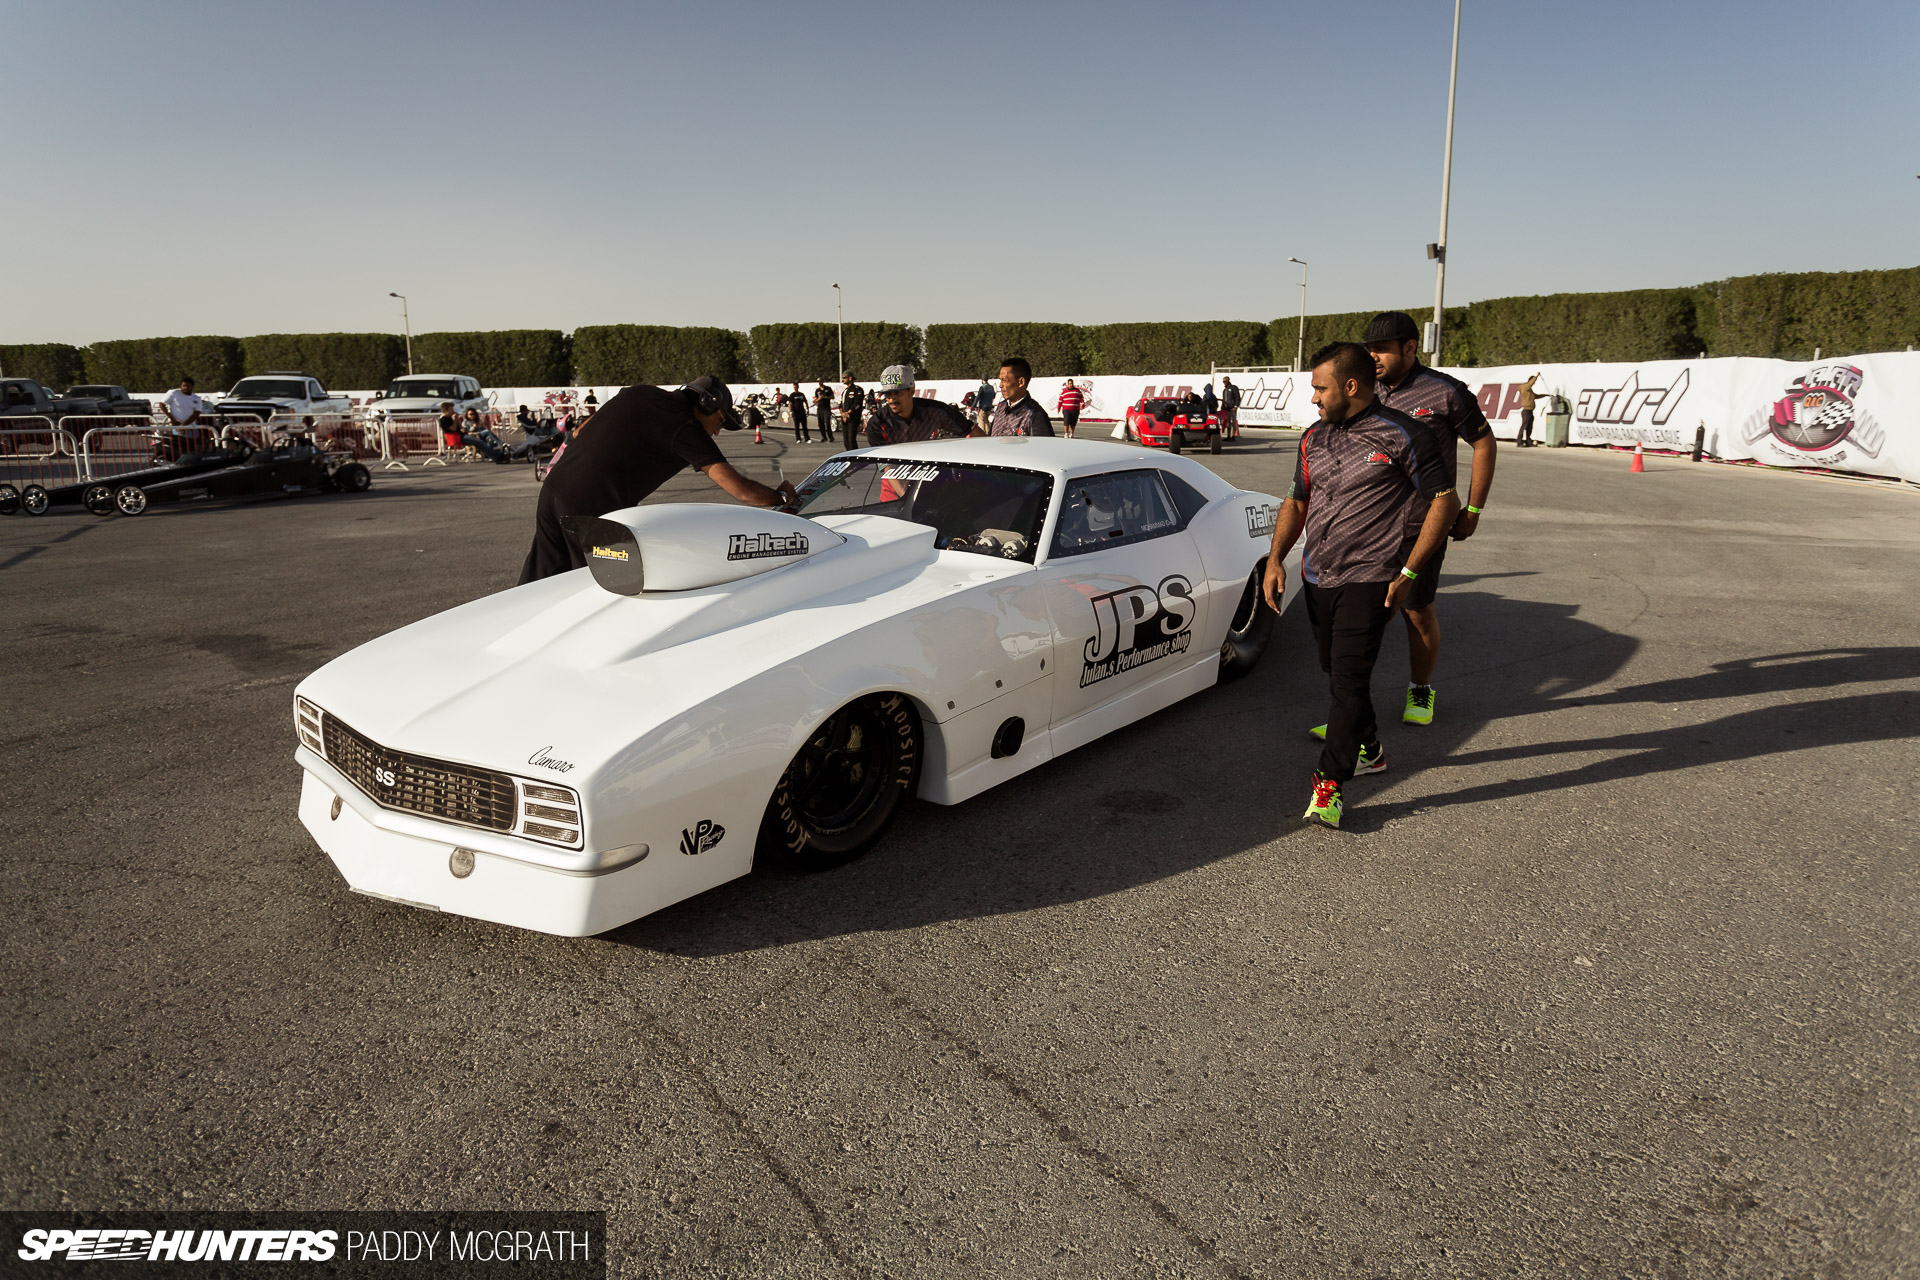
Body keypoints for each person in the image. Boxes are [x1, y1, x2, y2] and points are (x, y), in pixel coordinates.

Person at [1261, 343, 1456, 828]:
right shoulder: (1313, 437)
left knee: (1348, 682)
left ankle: (1329, 785)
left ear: (1350, 386)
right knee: (1335, 672)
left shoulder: (1404, 434)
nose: (1313, 397)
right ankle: (1369, 749)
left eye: (1320, 388)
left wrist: (1409, 571)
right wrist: (1275, 559)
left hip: (1371, 578)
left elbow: (1444, 501)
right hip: (1317, 574)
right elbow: (1297, 501)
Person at [1359, 311, 1497, 732]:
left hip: (1422, 525)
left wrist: (1473, 509)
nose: (1373, 357)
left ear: (1410, 348)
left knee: (1416, 611)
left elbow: (1484, 443)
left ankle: (1420, 688)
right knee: (1359, 616)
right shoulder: (1362, 388)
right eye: (1369, 349)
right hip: (1367, 525)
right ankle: (1351, 709)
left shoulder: (1445, 391)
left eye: (1382, 349)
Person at [518, 377, 798, 584]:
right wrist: (781, 496)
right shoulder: (685, 428)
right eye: (721, 422)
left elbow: (580, 431)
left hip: (553, 489)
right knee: (594, 589)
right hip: (589, 508)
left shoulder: (640, 392)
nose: (717, 432)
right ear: (708, 405)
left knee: (540, 583)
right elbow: (741, 491)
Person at [866, 365, 971, 445]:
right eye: (888, 394)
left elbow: (971, 431)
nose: (892, 399)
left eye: (898, 393)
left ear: (911, 391)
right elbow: (885, 465)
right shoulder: (876, 423)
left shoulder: (936, 411)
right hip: (896, 467)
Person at [989, 358, 1053, 437]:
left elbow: (1043, 444)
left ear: (1021, 382)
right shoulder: (1000, 407)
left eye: (1004, 380)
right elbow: (989, 440)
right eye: (1000, 380)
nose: (1000, 385)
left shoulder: (1035, 415)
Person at [838, 372, 864, 449]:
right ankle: (848, 454)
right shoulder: (845, 391)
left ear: (850, 378)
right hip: (844, 418)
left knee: (851, 440)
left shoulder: (858, 389)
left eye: (844, 378)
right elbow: (841, 404)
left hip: (853, 418)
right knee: (846, 441)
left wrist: (848, 413)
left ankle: (855, 455)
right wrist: (843, 414)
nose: (842, 380)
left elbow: (857, 404)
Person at [1516, 373, 1541, 446]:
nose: (1534, 383)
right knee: (1524, 426)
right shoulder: (1525, 387)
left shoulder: (1529, 390)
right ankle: (1519, 441)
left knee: (1529, 427)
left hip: (1530, 411)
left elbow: (1535, 396)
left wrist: (1545, 395)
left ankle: (1528, 441)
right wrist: (1537, 376)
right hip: (1526, 410)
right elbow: (1531, 383)